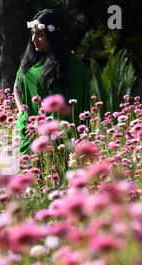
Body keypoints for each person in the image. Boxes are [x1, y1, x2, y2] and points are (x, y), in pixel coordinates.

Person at [13, 9, 90, 156]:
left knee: (54, 176)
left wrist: (44, 129)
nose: (34, 39)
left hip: (57, 138)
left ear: (54, 35)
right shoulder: (31, 61)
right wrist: (22, 112)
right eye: (33, 33)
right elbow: (17, 86)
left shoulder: (71, 66)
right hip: (26, 133)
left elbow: (70, 106)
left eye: (40, 35)